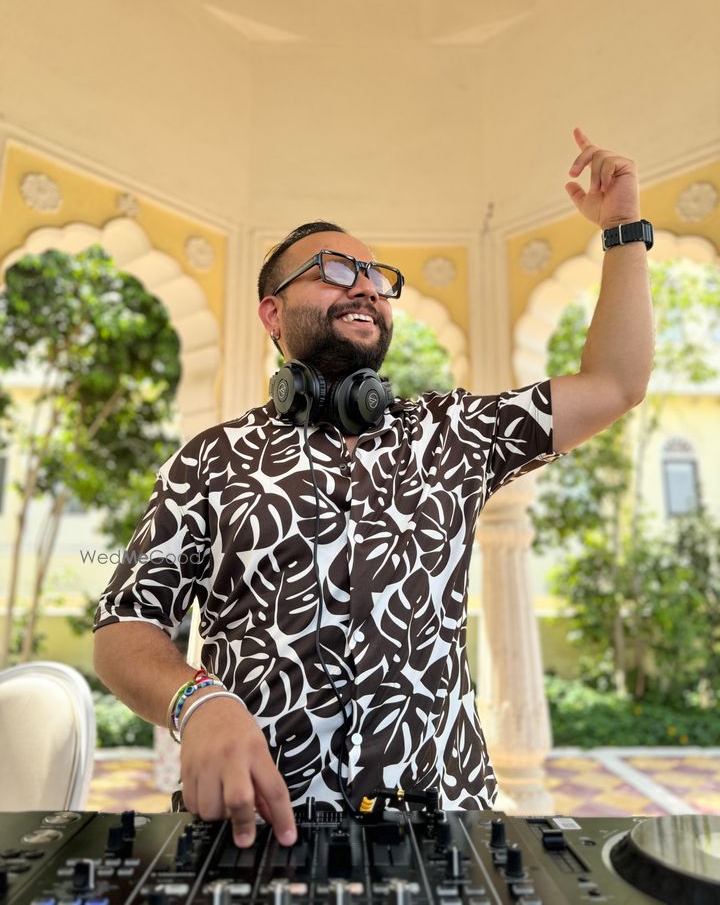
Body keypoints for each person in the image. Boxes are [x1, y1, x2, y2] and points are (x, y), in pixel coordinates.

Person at [93, 128, 653, 849]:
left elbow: (615, 382)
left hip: (446, 832)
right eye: (333, 270)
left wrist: (622, 229)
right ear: (272, 313)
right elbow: (125, 624)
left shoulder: (455, 433)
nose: (364, 286)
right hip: (256, 832)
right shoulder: (210, 459)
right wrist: (196, 701)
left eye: (375, 277)